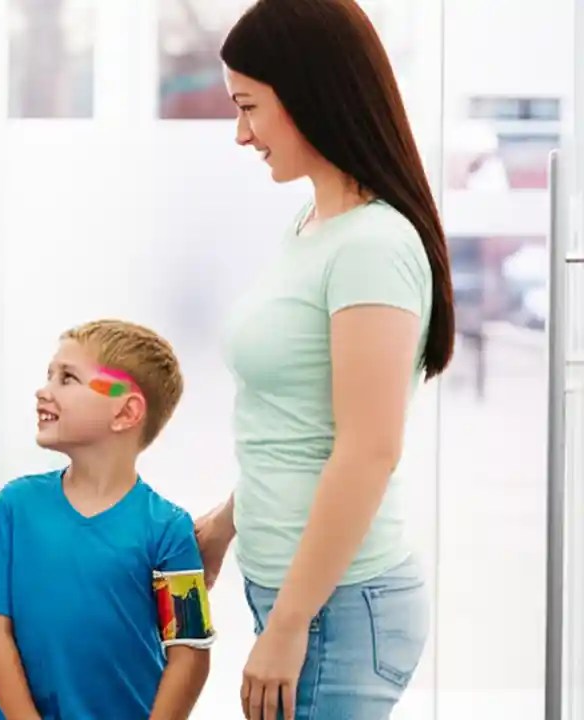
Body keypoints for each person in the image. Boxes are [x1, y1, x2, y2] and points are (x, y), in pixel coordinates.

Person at [193, 1, 456, 719]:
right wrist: (226, 521)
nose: (241, 133)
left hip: (337, 607)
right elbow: (298, 426)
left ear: (312, 91)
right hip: (302, 595)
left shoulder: (373, 245)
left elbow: (368, 450)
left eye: (249, 106)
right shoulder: (314, 227)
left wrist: (286, 628)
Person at [0, 320, 213, 720]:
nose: (44, 390)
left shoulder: (170, 530)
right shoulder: (15, 506)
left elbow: (190, 653)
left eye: (67, 378)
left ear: (125, 411)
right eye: (49, 375)